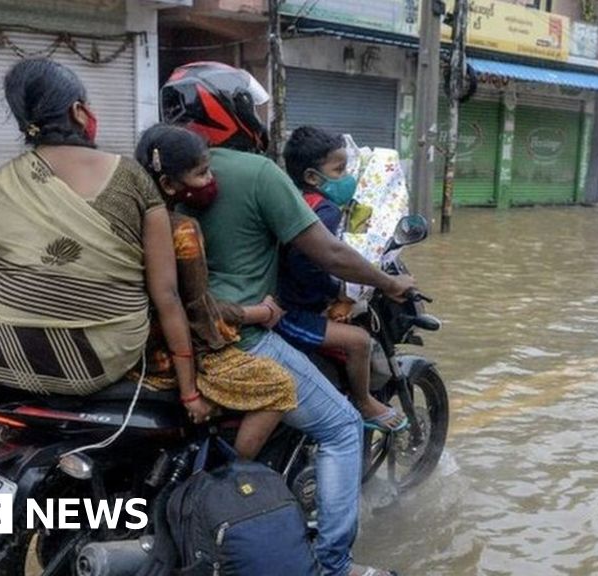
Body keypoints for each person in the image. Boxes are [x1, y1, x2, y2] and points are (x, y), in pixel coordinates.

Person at [161, 61, 413, 576]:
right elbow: (329, 254)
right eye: (250, 106)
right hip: (245, 335)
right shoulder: (257, 173)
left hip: (179, 334)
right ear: (230, 110)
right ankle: (334, 564)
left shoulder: (161, 176)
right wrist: (389, 283)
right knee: (343, 427)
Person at [0, 57, 195, 401]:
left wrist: (16, 280)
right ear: (79, 112)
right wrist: (189, 391)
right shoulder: (131, 178)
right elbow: (166, 295)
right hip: (95, 363)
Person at [133, 124, 297, 459]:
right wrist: (259, 313)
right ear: (168, 185)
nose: (210, 180)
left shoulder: (128, 220)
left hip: (133, 347)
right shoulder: (182, 230)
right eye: (201, 173)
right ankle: (232, 476)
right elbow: (195, 308)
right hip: (169, 357)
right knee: (281, 386)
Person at [279, 126, 408, 433]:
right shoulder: (323, 211)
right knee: (359, 341)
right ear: (312, 177)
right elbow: (310, 265)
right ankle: (364, 402)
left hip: (288, 301)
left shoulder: (297, 200)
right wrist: (340, 291)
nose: (347, 177)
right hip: (292, 313)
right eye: (339, 170)